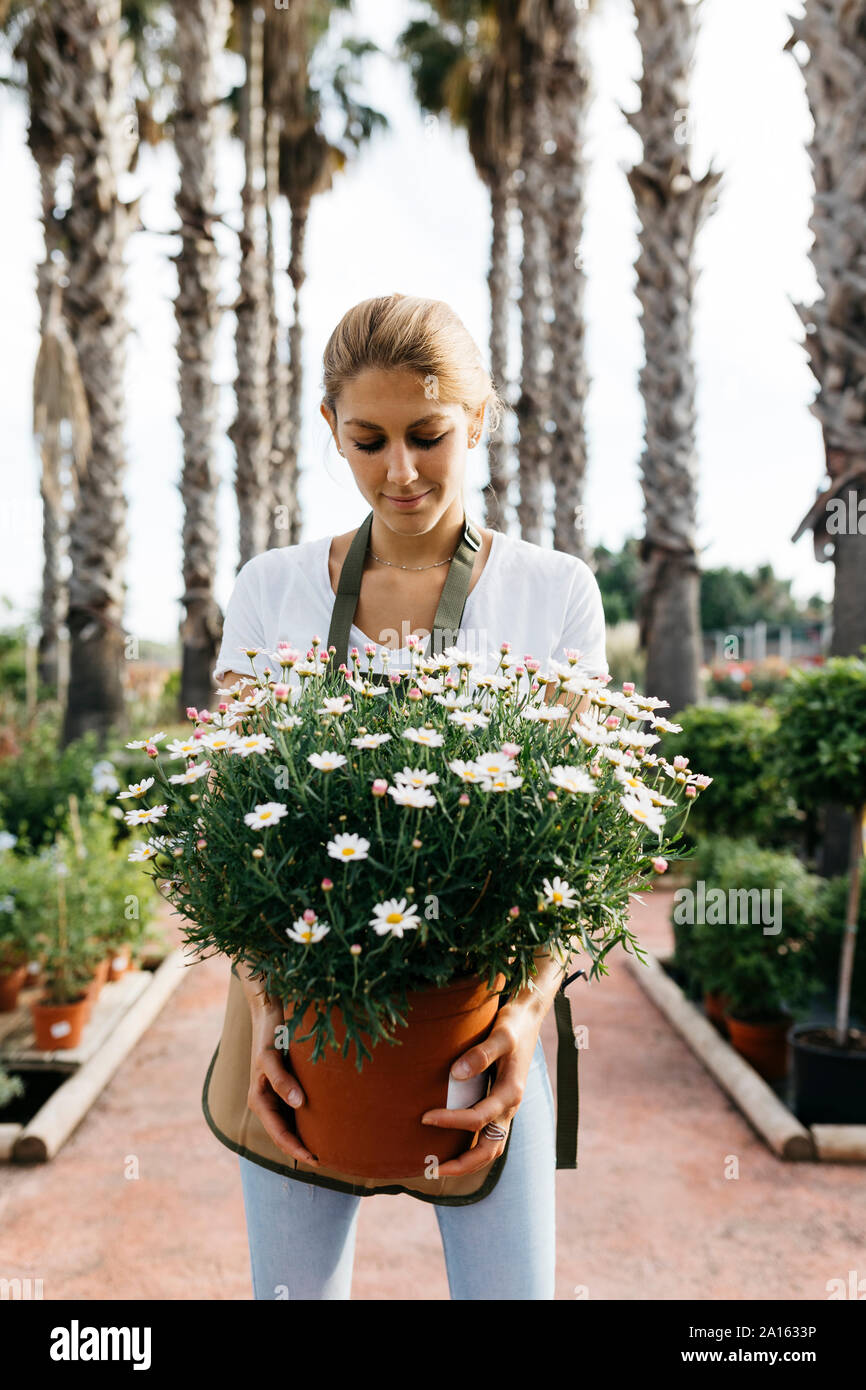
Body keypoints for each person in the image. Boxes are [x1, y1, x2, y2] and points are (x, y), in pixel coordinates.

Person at [211, 293, 609, 1300]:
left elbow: (568, 851)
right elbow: (228, 822)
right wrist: (264, 1008)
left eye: (428, 436)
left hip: (479, 1026)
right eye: (368, 439)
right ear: (329, 433)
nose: (399, 472)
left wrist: (522, 1019)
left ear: (474, 420)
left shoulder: (553, 590)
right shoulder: (271, 588)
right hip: (296, 1032)